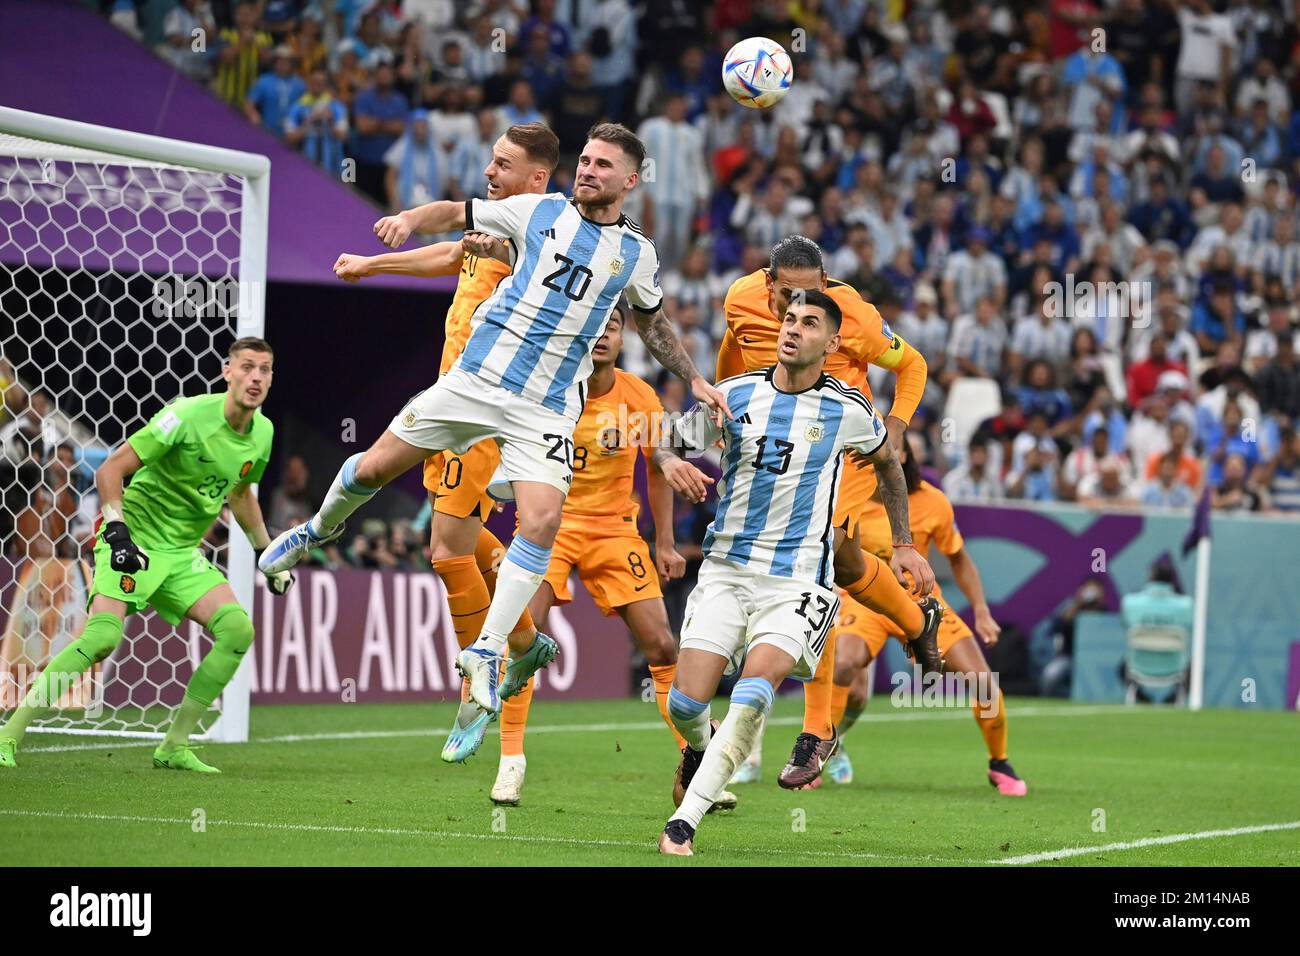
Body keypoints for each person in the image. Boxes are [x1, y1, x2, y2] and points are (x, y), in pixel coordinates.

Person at [261, 123, 730, 725]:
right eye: (584, 160)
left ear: (630, 181)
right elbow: (453, 215)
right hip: (476, 381)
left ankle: (487, 650)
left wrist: (692, 377)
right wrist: (405, 221)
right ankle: (313, 533)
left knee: (540, 520)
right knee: (376, 466)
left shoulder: (636, 255)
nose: (587, 171)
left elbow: (653, 322)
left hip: (545, 408)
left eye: (603, 165)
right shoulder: (537, 211)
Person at [654, 291, 938, 856]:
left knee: (753, 695)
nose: (793, 329)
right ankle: (700, 747)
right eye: (788, 319)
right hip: (726, 572)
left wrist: (903, 544)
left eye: (809, 323)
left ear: (832, 343)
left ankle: (683, 823)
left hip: (797, 580)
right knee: (686, 706)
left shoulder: (850, 410)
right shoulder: (735, 396)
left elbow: (889, 464)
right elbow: (667, 444)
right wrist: (671, 461)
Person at [331, 124, 556, 762]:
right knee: (456, 543)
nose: (489, 171)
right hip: (454, 402)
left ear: (536, 178)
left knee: (447, 551)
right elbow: (449, 256)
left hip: (488, 405)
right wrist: (375, 265)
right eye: (491, 159)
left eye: (503, 163)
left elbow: (529, 277)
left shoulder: (542, 235)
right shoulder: (495, 225)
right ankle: (526, 641)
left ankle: (473, 689)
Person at [715, 235, 941, 790]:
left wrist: (897, 426)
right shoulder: (739, 298)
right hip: (772, 449)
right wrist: (720, 404)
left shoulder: (854, 316)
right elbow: (733, 350)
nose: (803, 309)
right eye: (790, 296)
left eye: (814, 295)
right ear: (768, 286)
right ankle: (917, 620)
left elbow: (913, 365)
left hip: (838, 451)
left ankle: (817, 733)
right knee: (842, 562)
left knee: (813, 567)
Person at [0, 339, 290, 772]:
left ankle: (173, 745)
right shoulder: (187, 415)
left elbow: (241, 491)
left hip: (181, 553)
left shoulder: (262, 434)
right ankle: (8, 735)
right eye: (247, 367)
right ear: (227, 372)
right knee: (101, 639)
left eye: (264, 370)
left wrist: (266, 552)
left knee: (236, 630)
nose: (256, 378)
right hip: (131, 537)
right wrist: (116, 530)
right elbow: (110, 468)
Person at [493, 306, 704, 807]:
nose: (602, 336)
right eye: (594, 327)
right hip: (551, 528)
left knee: (662, 646)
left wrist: (665, 543)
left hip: (614, 530)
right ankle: (511, 763)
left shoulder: (638, 396)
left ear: (624, 335)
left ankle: (694, 759)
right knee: (525, 638)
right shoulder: (548, 386)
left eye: (612, 327)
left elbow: (657, 465)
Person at [824, 435, 1027, 797]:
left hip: (922, 604)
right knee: (844, 664)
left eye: (890, 448)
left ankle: (1000, 762)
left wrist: (981, 610)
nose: (880, 454)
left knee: (982, 682)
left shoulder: (933, 502)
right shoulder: (846, 495)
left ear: (904, 456)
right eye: (869, 448)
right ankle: (822, 748)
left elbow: (959, 559)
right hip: (864, 601)